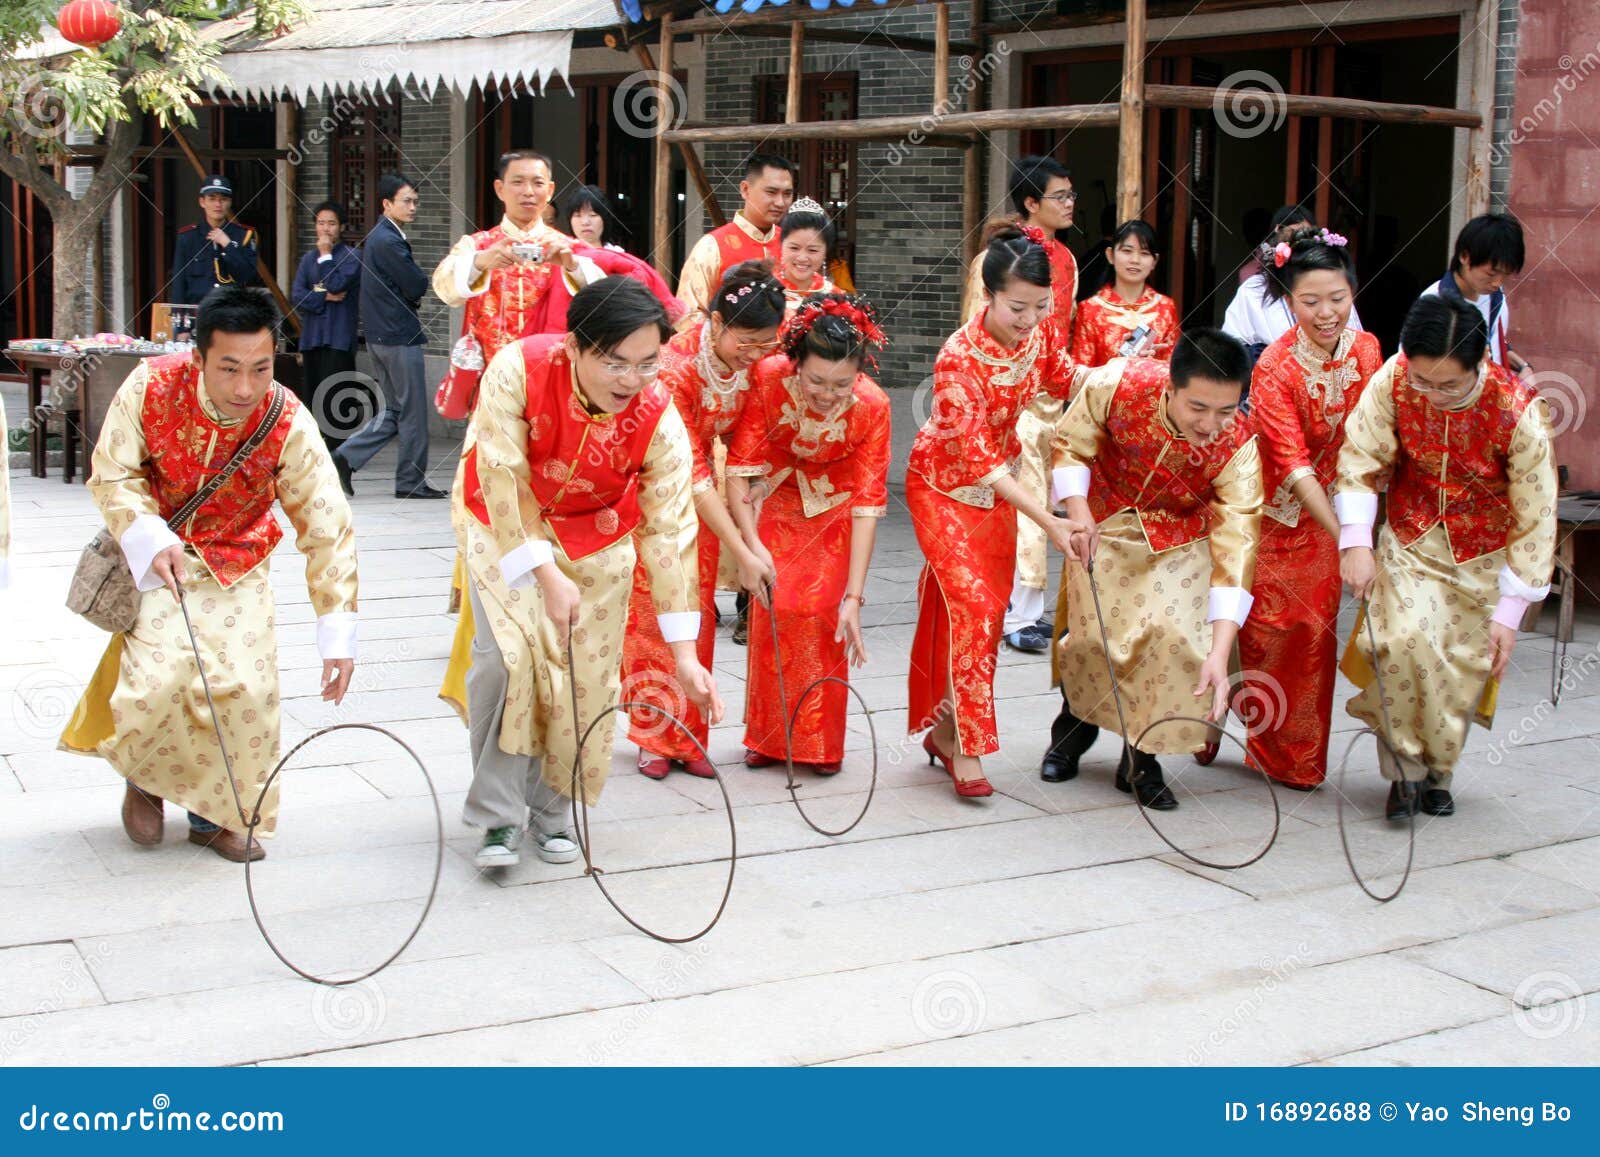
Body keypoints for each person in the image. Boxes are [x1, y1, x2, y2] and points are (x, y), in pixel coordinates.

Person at [58, 287, 357, 862]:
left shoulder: (286, 418)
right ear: (198, 358)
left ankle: (220, 814)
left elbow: (326, 520)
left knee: (245, 691)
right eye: (229, 369)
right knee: (161, 680)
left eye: (261, 369)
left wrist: (336, 628)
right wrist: (148, 534)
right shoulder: (149, 386)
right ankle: (145, 781)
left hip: (240, 562)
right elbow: (114, 473)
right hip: (160, 558)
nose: (245, 387)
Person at [441, 277, 721, 867]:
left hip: (598, 542)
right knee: (507, 664)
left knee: (581, 679)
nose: (630, 380)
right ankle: (497, 818)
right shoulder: (519, 367)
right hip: (503, 525)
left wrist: (686, 654)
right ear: (574, 346)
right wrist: (543, 572)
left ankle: (551, 810)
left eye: (646, 365)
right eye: (613, 362)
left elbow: (669, 531)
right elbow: (500, 473)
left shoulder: (658, 414)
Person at [1337, 295, 1555, 819]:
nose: (1432, 395)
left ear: (1480, 364)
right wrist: (1357, 542)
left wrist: (1511, 613)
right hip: (1413, 540)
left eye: (1448, 386)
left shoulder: (1517, 410)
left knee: (1458, 665)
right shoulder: (1393, 379)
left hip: (1485, 553)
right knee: (1404, 643)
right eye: (1423, 382)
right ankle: (1404, 773)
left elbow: (1537, 514)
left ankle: (1439, 771)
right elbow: (1360, 456)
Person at [1043, 331, 1264, 810]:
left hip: (1183, 536)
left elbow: (1239, 541)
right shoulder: (1119, 382)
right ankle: (1072, 729)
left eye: (1226, 411)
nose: (1211, 424)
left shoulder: (1239, 445)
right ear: (1170, 388)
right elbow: (1071, 442)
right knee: (1094, 638)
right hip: (1105, 519)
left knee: (1168, 640)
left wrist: (1221, 652)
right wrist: (1078, 511)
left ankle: (1141, 758)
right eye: (1198, 408)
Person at [908, 227, 1090, 798]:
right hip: (944, 488)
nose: (1030, 319)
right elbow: (981, 462)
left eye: (1041, 307)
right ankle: (968, 744)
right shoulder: (957, 359)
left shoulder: (1035, 341)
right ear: (988, 295)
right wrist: (1052, 520)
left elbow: (1071, 380)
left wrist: (1132, 382)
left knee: (964, 613)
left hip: (997, 494)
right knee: (981, 610)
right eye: (1018, 307)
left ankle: (942, 728)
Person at [1230, 226, 1382, 789]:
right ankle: (1247, 728)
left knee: (1313, 631)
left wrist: (1354, 528)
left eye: (1338, 299)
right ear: (1288, 301)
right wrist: (1350, 537)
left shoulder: (1367, 351)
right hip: (1275, 512)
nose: (1326, 313)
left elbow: (1371, 435)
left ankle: (1297, 760)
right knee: (1264, 630)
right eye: (1310, 301)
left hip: (1334, 512)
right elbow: (1291, 461)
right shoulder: (1275, 364)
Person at [622, 262, 784, 780]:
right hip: (653, 485)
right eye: (748, 341)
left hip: (705, 493)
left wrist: (751, 541)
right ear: (716, 322)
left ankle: (689, 735)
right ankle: (653, 736)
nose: (757, 355)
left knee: (697, 614)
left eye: (767, 344)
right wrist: (744, 550)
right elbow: (688, 467)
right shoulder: (676, 366)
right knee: (654, 612)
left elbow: (741, 461)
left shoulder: (756, 368)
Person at [725, 292, 892, 775]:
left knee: (822, 612)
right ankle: (766, 736)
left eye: (842, 383)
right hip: (774, 496)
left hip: (834, 510)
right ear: (794, 361)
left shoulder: (873, 407)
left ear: (861, 372)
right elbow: (741, 467)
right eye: (816, 379)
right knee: (773, 605)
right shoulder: (768, 377)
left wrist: (855, 598)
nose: (826, 392)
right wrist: (749, 548)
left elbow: (867, 504)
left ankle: (820, 743)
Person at [960, 156, 1079, 656]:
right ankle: (1021, 613)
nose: (1070, 204)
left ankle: (1026, 604)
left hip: (1054, 388)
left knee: (1049, 495)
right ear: (1031, 203)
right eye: (1060, 196)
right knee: (1025, 493)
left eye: (1072, 195)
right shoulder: (995, 259)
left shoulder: (1067, 259)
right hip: (1013, 392)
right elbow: (976, 326)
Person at [334, 173, 444, 500]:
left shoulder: (380, 237)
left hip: (382, 337)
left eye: (415, 201)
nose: (413, 207)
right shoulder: (389, 240)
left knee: (395, 412)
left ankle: (345, 457)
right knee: (412, 413)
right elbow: (416, 284)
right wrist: (415, 292)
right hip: (398, 337)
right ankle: (410, 481)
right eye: (406, 201)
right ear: (387, 204)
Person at [1222, 205, 1364, 363]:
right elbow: (1231, 349)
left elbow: (1356, 346)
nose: (1325, 313)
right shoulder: (1252, 290)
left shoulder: (1331, 283)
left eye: (1304, 240)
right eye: (1290, 241)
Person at [676, 152, 795, 328]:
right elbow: (688, 317)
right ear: (745, 189)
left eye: (787, 194)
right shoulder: (712, 246)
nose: (780, 202)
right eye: (771, 192)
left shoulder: (791, 246)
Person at [1419, 212, 1531, 376]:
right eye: (1491, 274)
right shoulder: (1433, 305)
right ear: (1464, 257)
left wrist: (1524, 367)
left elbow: (1496, 345)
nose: (1497, 283)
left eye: (1505, 276)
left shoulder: (1496, 298)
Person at [289, 199, 362, 447]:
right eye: (321, 223)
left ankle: (338, 450)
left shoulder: (352, 256)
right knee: (312, 393)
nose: (326, 229)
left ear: (341, 227)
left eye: (331, 223)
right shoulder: (307, 259)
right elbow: (297, 295)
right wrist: (324, 296)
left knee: (336, 396)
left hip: (338, 336)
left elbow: (336, 284)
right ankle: (313, 445)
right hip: (312, 337)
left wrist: (325, 256)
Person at [1070, 219, 1181, 367]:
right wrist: (1119, 364)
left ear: (1155, 261)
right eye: (1127, 251)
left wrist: (1153, 365)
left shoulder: (1165, 308)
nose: (1135, 260)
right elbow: (1080, 375)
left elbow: (1176, 370)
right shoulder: (1090, 310)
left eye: (1144, 253)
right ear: (1110, 255)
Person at [169, 175, 259, 319]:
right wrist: (181, 328)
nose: (218, 204)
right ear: (202, 202)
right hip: (197, 316)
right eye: (212, 198)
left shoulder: (244, 235)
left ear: (229, 202)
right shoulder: (188, 237)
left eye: (223, 199)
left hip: (232, 315)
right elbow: (179, 284)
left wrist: (228, 245)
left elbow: (247, 275)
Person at [775, 197, 836, 313]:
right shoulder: (762, 293)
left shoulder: (835, 297)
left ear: (825, 252)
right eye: (794, 248)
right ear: (781, 245)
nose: (802, 258)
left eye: (812, 250)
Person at [560, 183, 627, 252]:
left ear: (605, 219)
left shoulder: (617, 256)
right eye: (578, 215)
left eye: (593, 215)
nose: (585, 222)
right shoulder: (562, 255)